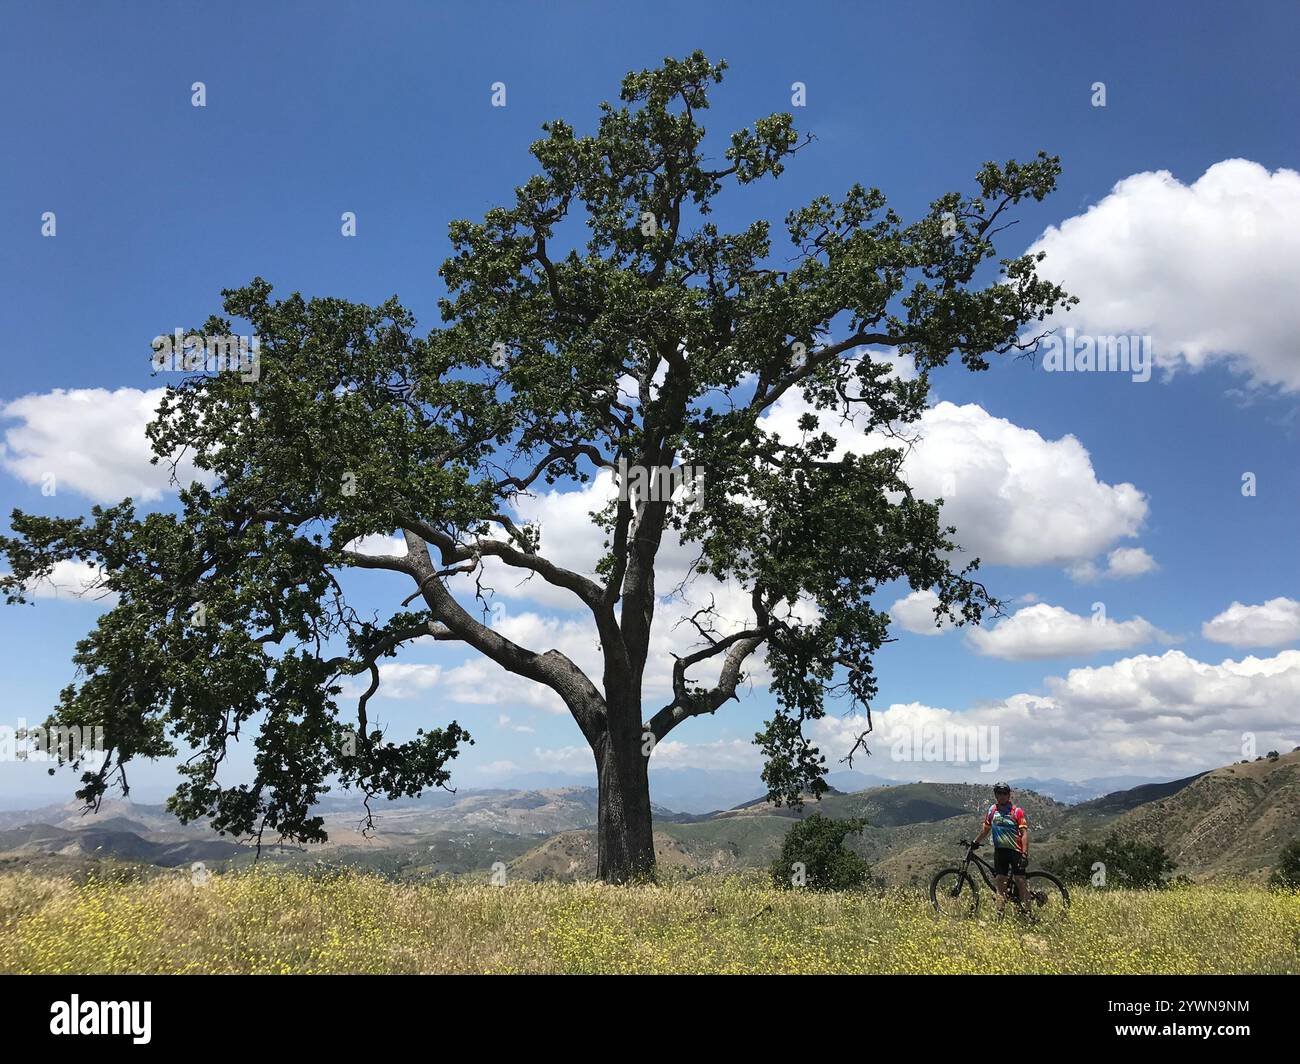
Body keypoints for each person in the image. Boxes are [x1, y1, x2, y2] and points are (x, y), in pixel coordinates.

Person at [972, 781, 1028, 916]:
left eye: (1004, 793)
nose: (1002, 796)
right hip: (1000, 851)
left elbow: (1024, 834)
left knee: (1020, 881)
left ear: (1009, 795)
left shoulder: (1017, 812)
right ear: (995, 795)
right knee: (1000, 882)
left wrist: (1025, 853)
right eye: (999, 793)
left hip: (1016, 851)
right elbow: (985, 830)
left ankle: (1028, 914)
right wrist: (975, 842)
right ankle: (999, 914)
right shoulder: (992, 810)